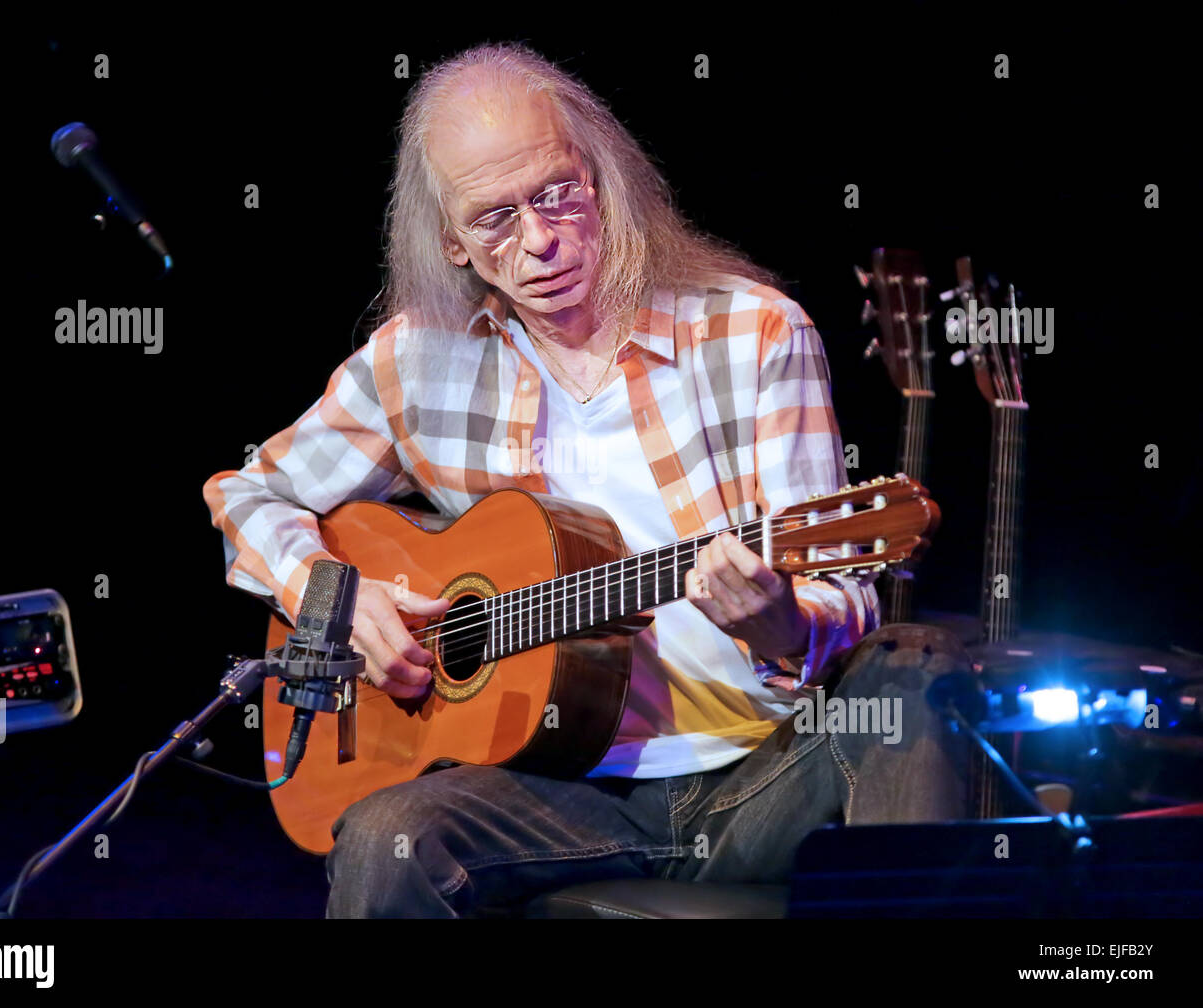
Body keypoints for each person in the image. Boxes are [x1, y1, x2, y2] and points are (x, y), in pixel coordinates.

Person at [203, 42, 971, 918]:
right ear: (450, 240)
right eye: (494, 218)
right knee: (386, 838)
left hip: (764, 770)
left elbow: (843, 589)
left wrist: (787, 625)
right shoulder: (417, 366)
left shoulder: (754, 333)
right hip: (560, 793)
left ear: (598, 177)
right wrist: (333, 598)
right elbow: (248, 493)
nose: (539, 238)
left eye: (556, 192)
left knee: (915, 664)